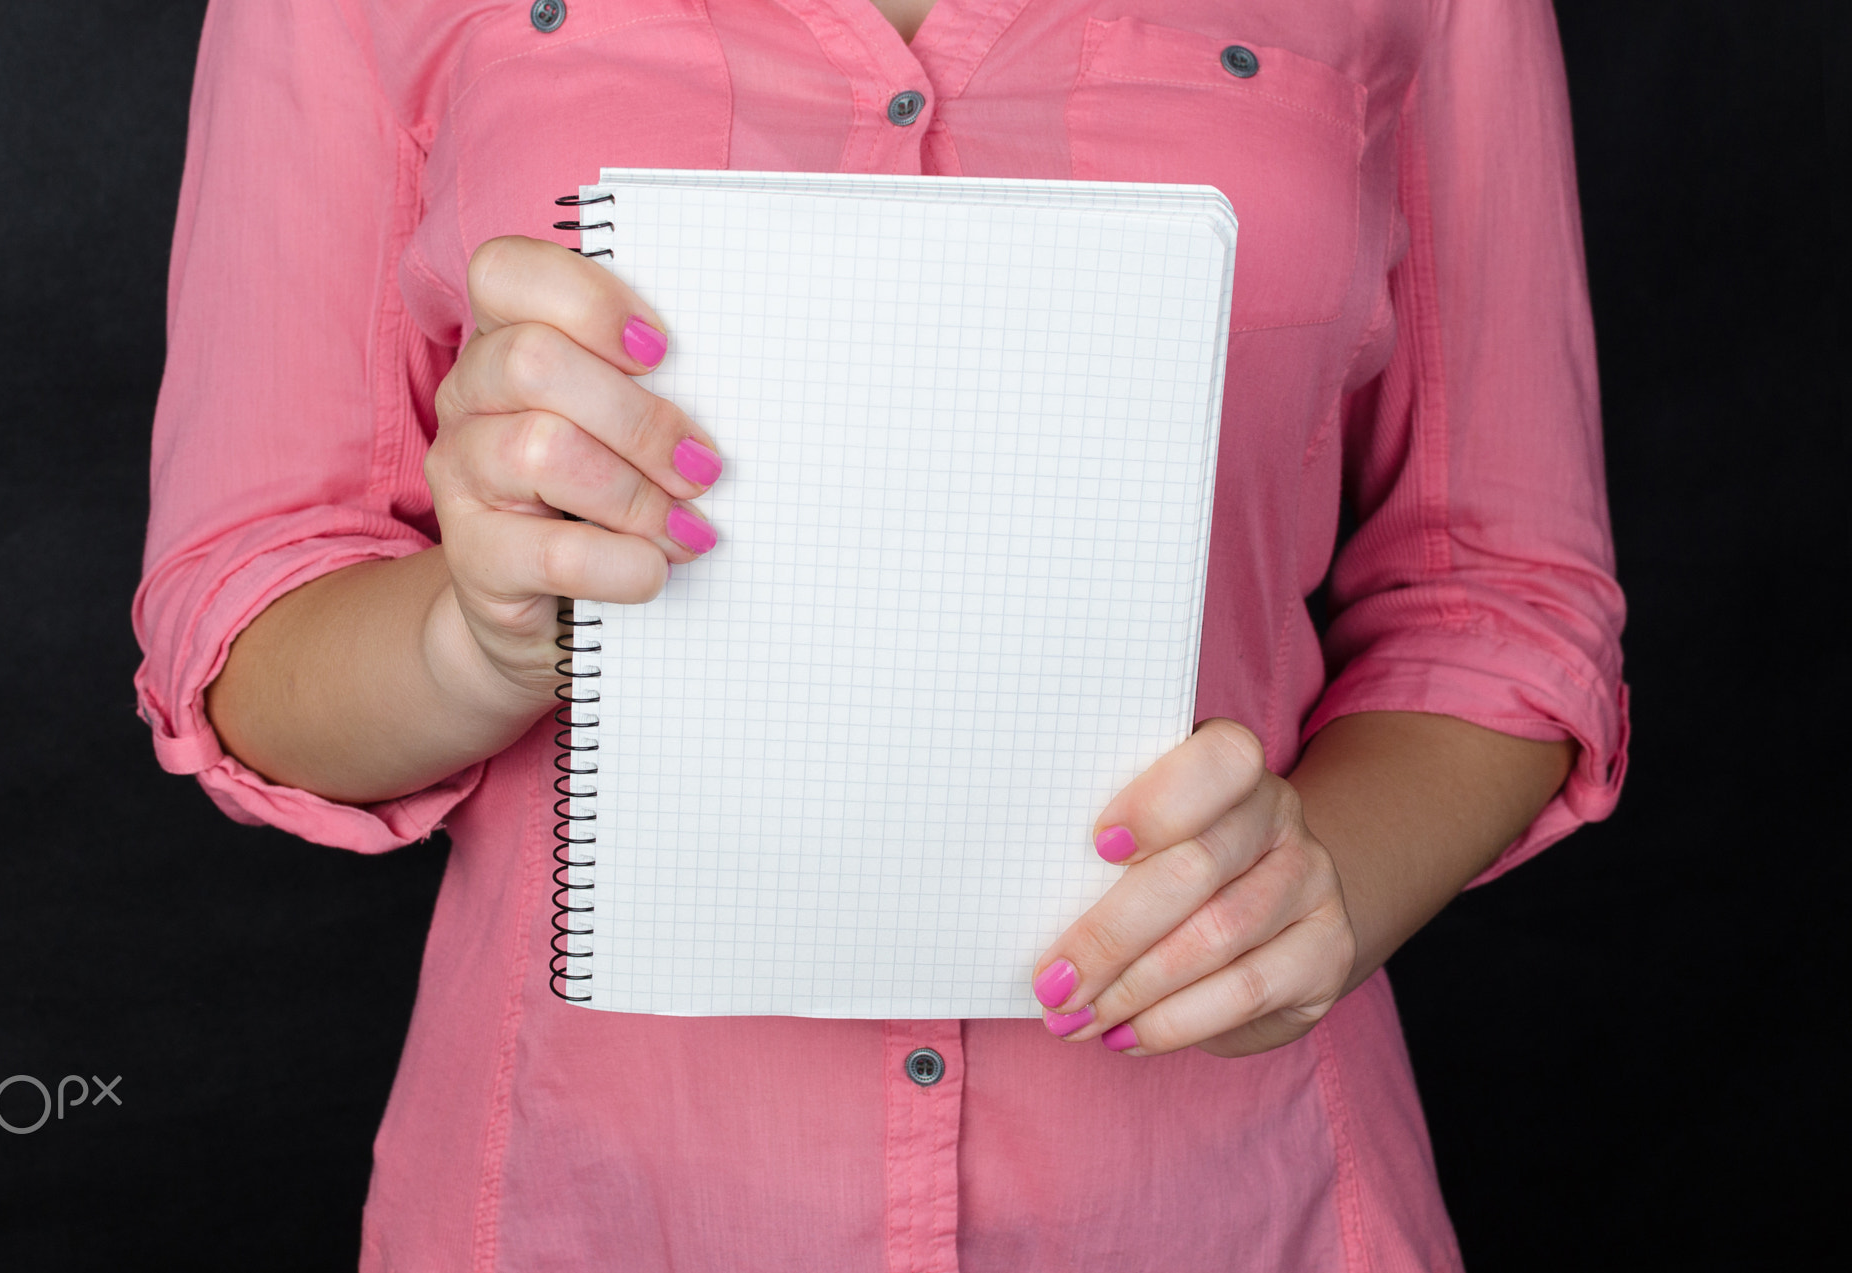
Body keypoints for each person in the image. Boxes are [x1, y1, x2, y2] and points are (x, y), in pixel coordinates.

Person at [133, 0, 1628, 1268]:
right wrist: (480, 641)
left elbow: (1500, 589)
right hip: (586, 1196)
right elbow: (246, 614)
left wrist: (1330, 887)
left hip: (1236, 1194)